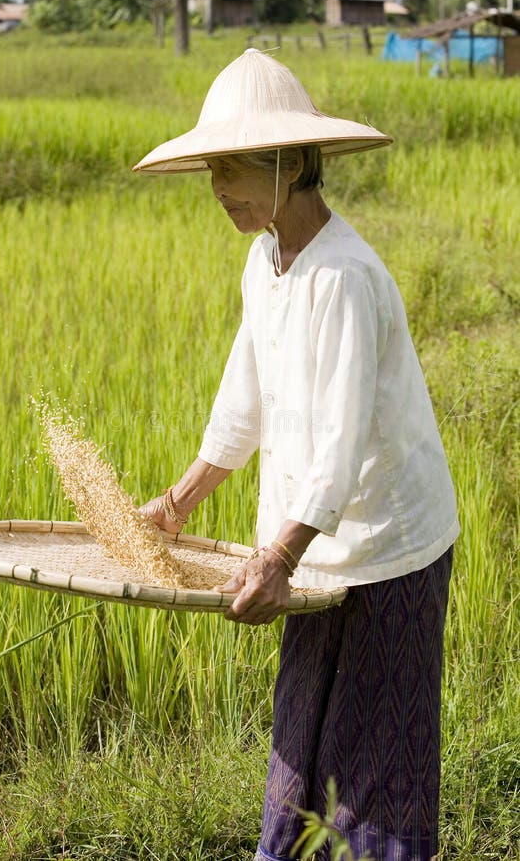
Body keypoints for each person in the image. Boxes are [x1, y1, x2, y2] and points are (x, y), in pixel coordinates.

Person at [134, 50, 459, 861]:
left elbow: (342, 445)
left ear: (287, 162)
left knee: (374, 755)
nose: (216, 189)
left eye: (231, 168)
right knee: (304, 723)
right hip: (314, 545)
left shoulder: (342, 276)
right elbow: (244, 398)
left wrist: (275, 556)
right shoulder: (266, 258)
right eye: (210, 169)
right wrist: (181, 499)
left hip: (387, 544)